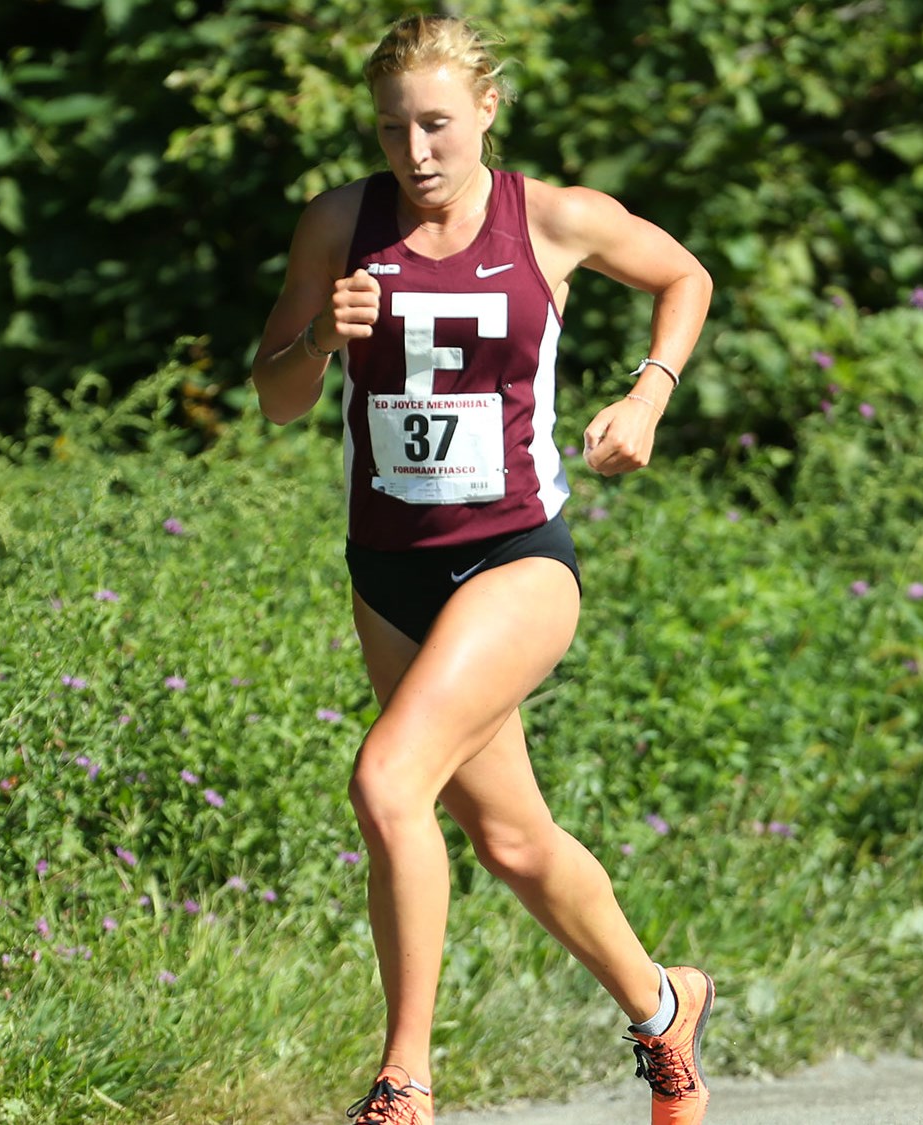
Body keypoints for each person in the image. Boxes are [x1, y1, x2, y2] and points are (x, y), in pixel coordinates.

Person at [249, 14, 715, 1125]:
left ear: (486, 114)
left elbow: (682, 275)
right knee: (510, 840)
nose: (415, 153)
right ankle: (663, 1006)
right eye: (393, 128)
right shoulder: (337, 224)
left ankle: (403, 1078)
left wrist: (647, 392)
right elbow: (273, 394)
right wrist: (322, 337)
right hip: (389, 571)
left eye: (438, 126)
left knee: (384, 781)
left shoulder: (548, 218)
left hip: (515, 560)